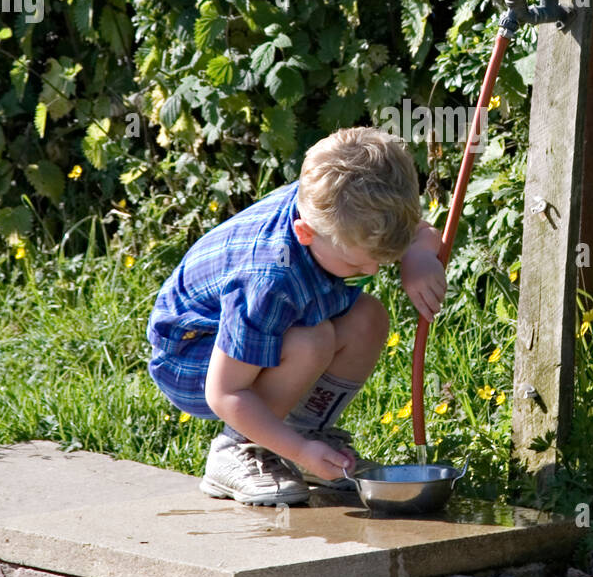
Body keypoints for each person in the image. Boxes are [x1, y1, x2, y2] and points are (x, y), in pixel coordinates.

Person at [146, 127, 446, 505]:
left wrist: (417, 254)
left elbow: (419, 232)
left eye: (384, 258)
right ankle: (239, 451)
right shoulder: (268, 277)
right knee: (312, 340)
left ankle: (304, 433)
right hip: (195, 358)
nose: (372, 269)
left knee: (368, 317)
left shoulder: (339, 210)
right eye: (358, 261)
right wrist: (299, 450)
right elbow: (224, 392)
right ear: (305, 234)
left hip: (265, 331)